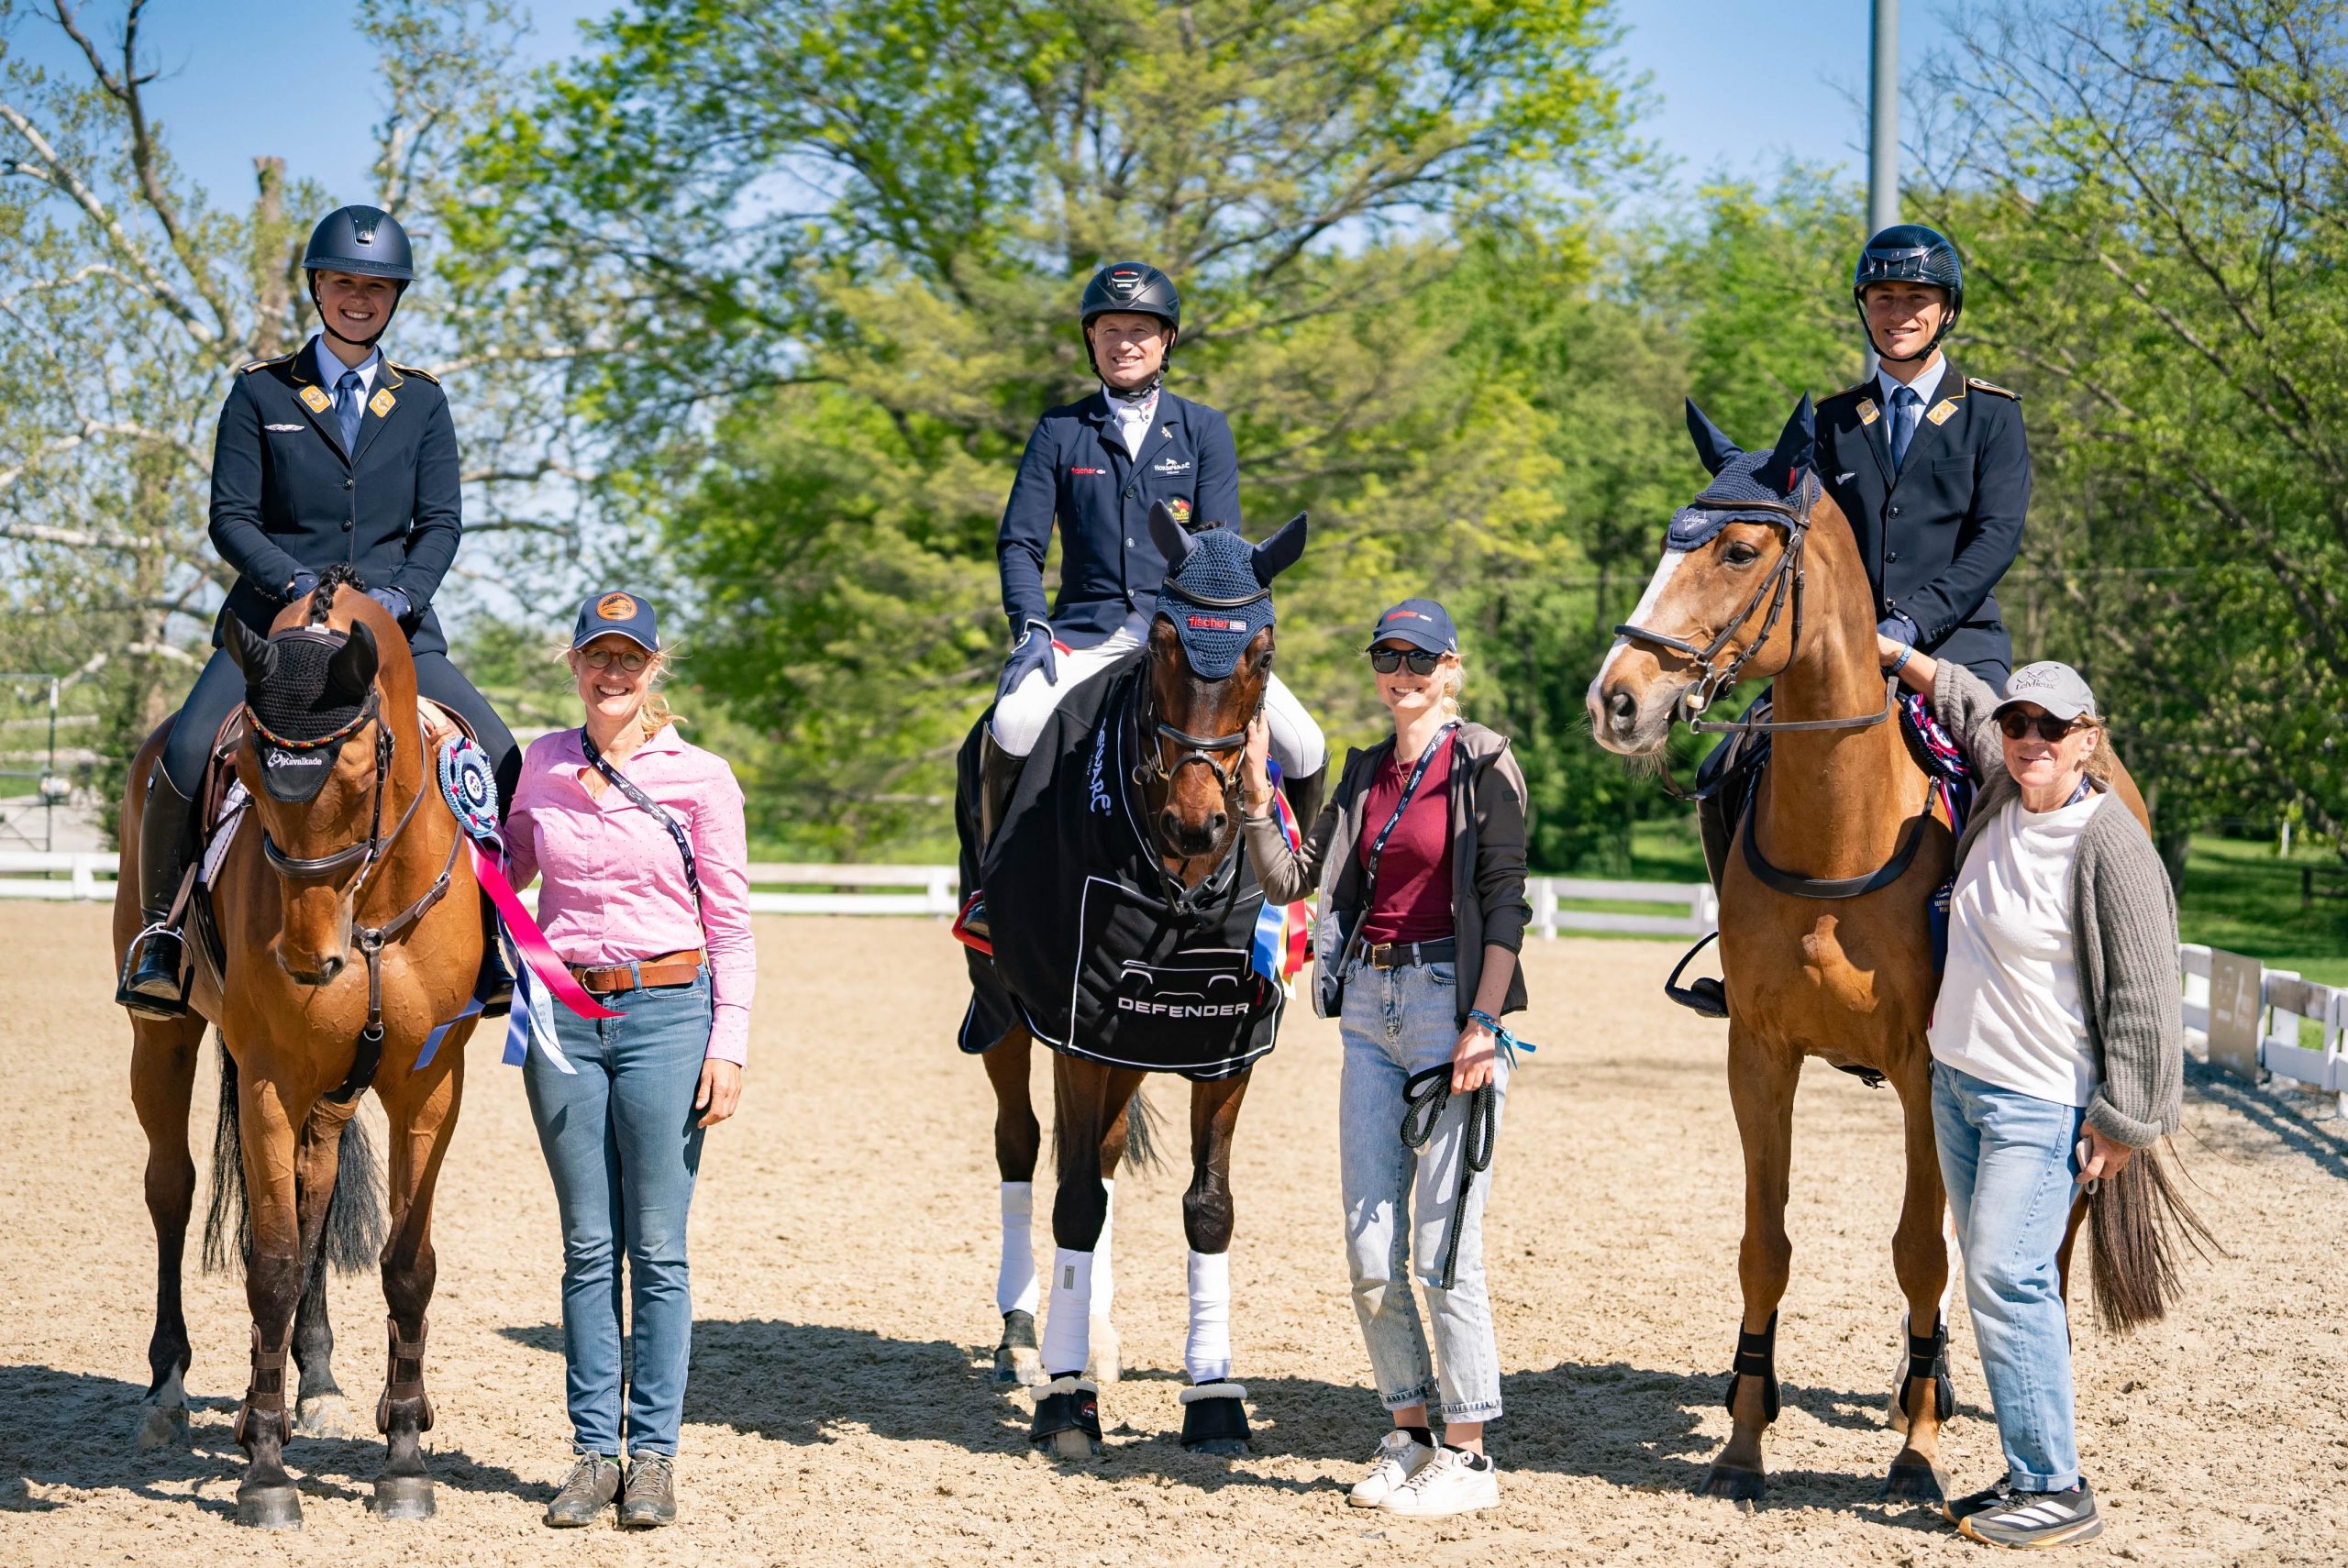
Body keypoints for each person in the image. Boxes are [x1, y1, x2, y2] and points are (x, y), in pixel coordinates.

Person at [116, 204, 519, 1016]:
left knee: (502, 758)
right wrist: (298, 585)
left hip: (394, 632)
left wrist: (398, 598)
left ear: (394, 297)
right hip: (274, 626)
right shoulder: (260, 391)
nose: (358, 299)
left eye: (376, 287)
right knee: (186, 752)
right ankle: (162, 934)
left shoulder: (422, 402)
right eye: (343, 283)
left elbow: (441, 523)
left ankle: (492, 937)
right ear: (317, 288)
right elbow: (231, 517)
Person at [1678, 221, 2032, 1015]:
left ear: (1946, 310)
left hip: (1956, 646)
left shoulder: (1991, 416)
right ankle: (1745, 959)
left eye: (1915, 297)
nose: (1898, 312)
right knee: (1721, 771)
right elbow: (1796, 526)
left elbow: (1995, 541)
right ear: (1865, 308)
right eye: (1883, 297)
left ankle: (2004, 964)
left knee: (2007, 775)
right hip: (1840, 652)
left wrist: (1909, 626)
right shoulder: (1833, 421)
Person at [1885, 637, 2184, 1551]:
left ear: (2089, 738)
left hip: (2039, 1101)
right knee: (1994, 1280)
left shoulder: (2109, 843)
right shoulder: (1998, 790)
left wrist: (2126, 1122)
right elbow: (1965, 702)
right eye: (2020, 723)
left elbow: (2147, 995)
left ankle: (2056, 1486)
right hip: (1958, 1086)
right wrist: (1892, 652)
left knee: (2008, 1277)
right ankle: (2027, 1474)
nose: (2030, 739)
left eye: (2053, 727)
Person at [1238, 598, 1530, 1518]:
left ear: (1451, 669)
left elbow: (1506, 901)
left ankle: (1469, 1456)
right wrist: (1258, 800)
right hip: (1368, 1008)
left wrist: (1483, 1022)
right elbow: (1291, 880)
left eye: (1419, 658)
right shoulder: (1364, 771)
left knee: (1443, 1248)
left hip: (1451, 1009)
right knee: (1371, 1252)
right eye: (1386, 657)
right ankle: (1408, 1435)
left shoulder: (1483, 761)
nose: (1401, 673)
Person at [961, 260, 1325, 935]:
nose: (1124, 343)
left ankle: (1301, 894)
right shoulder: (1060, 430)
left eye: (1139, 330)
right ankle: (994, 889)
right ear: (1091, 340)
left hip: (1186, 640)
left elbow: (1218, 549)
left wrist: (1211, 634)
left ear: (1166, 341)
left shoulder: (1203, 429)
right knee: (1011, 723)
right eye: (1109, 330)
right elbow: (1020, 544)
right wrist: (1030, 627)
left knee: (1306, 744)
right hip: (1086, 632)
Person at [505, 591, 754, 1529]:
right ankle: (592, 1457)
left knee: (655, 1249)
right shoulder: (538, 764)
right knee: (584, 1247)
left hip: (668, 1013)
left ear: (653, 669)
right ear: (573, 664)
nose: (612, 673)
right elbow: (505, 878)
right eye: (597, 656)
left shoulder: (702, 778)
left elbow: (731, 923)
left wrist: (729, 1043)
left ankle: (652, 1458)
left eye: (629, 658)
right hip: (561, 1016)